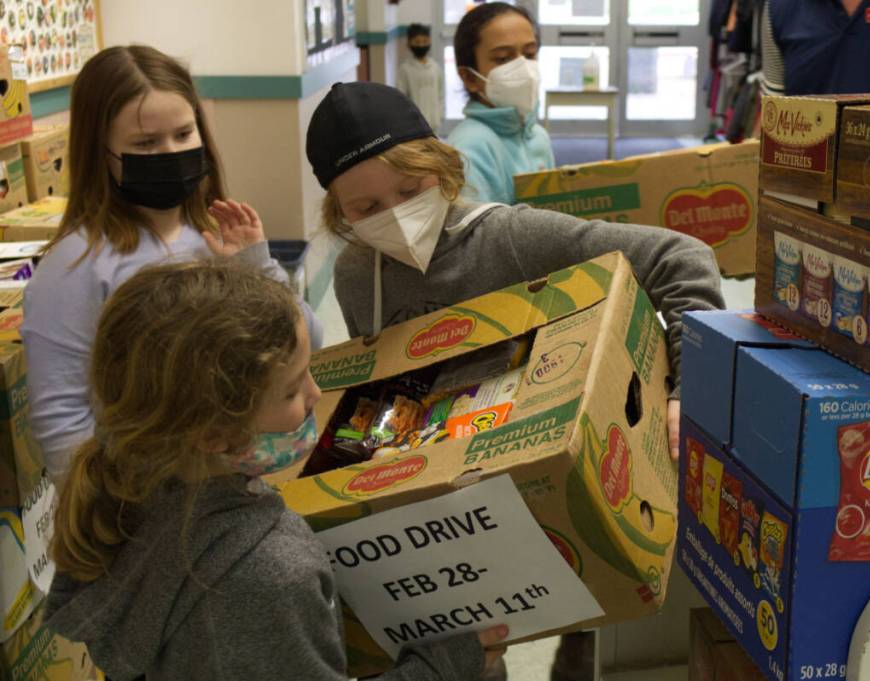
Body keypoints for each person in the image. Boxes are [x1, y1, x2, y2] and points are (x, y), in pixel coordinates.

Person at [306, 81, 725, 681]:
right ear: (339, 215)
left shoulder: (507, 239)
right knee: (475, 655)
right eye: (367, 209)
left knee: (584, 625)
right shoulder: (356, 275)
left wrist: (691, 394)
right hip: (448, 510)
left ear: (442, 170)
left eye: (409, 189)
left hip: (550, 475)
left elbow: (682, 259)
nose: (394, 216)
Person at [43, 260, 509, 680]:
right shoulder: (267, 573)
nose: (314, 393)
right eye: (289, 392)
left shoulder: (130, 476)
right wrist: (443, 665)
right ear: (213, 436)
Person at [21, 45, 323, 486]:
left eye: (183, 135)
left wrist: (257, 265)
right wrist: (105, 519)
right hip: (141, 502)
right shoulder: (75, 266)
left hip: (229, 481)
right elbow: (62, 417)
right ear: (100, 151)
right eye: (145, 143)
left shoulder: (215, 235)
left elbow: (306, 342)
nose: (170, 151)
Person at [448, 2, 554, 205]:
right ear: (469, 78)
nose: (523, 67)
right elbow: (478, 235)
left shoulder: (538, 136)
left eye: (530, 54)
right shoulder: (468, 150)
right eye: (503, 59)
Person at [397, 23, 444, 132]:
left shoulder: (435, 67)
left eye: (425, 41)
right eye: (417, 42)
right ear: (409, 43)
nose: (421, 45)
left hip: (434, 123)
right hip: (414, 125)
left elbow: (440, 94)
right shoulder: (405, 69)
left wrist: (439, 116)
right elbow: (401, 99)